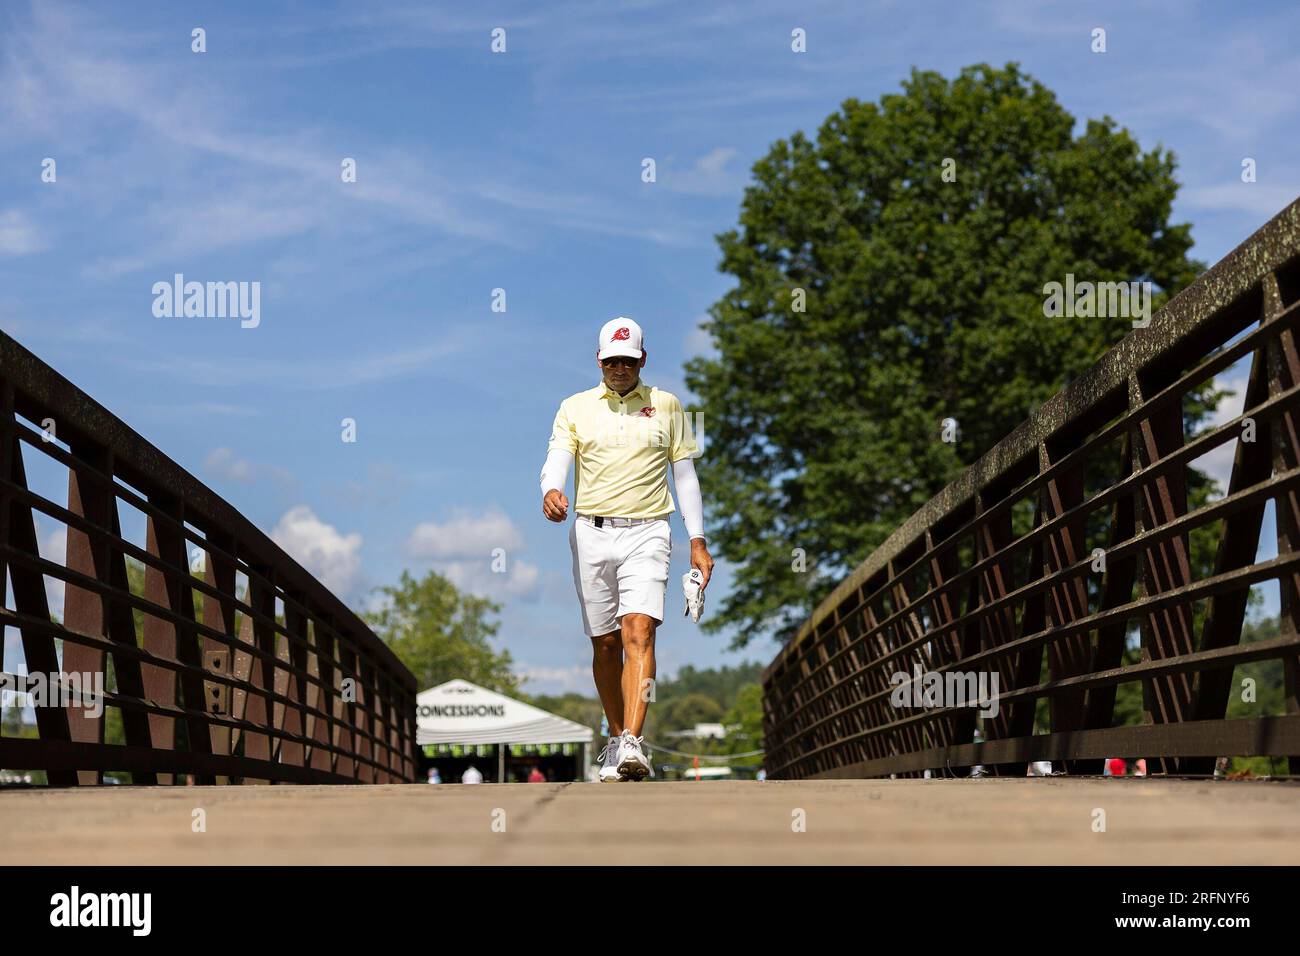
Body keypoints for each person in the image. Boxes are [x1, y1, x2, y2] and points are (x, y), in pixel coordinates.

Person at [540, 317, 713, 782]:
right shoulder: (574, 407)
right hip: (591, 531)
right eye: (612, 360)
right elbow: (557, 456)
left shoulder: (668, 406)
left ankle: (634, 742)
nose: (620, 368)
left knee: (640, 631)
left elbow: (685, 476)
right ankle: (616, 738)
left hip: (649, 530)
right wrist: (552, 489)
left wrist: (698, 541)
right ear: (599, 360)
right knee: (605, 643)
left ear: (643, 360)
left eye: (629, 361)